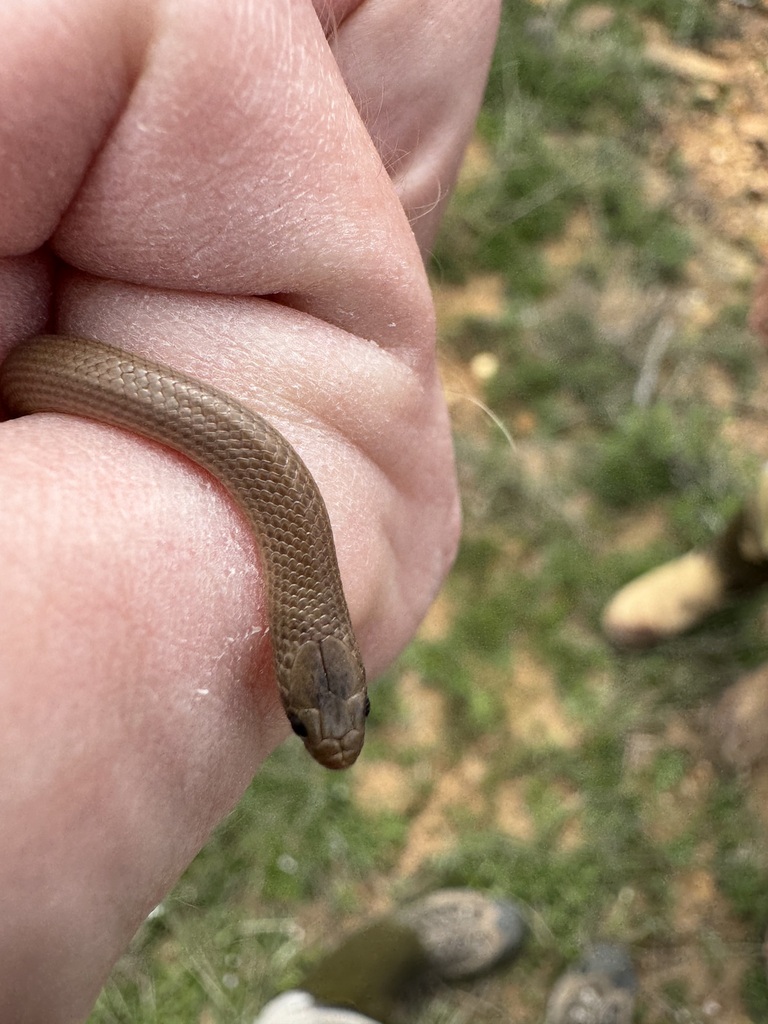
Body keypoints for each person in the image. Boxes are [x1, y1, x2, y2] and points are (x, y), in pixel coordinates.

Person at [0, 2, 500, 1020]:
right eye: (327, 712)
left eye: (320, 715)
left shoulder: (291, 514)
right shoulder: (281, 499)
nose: (333, 732)